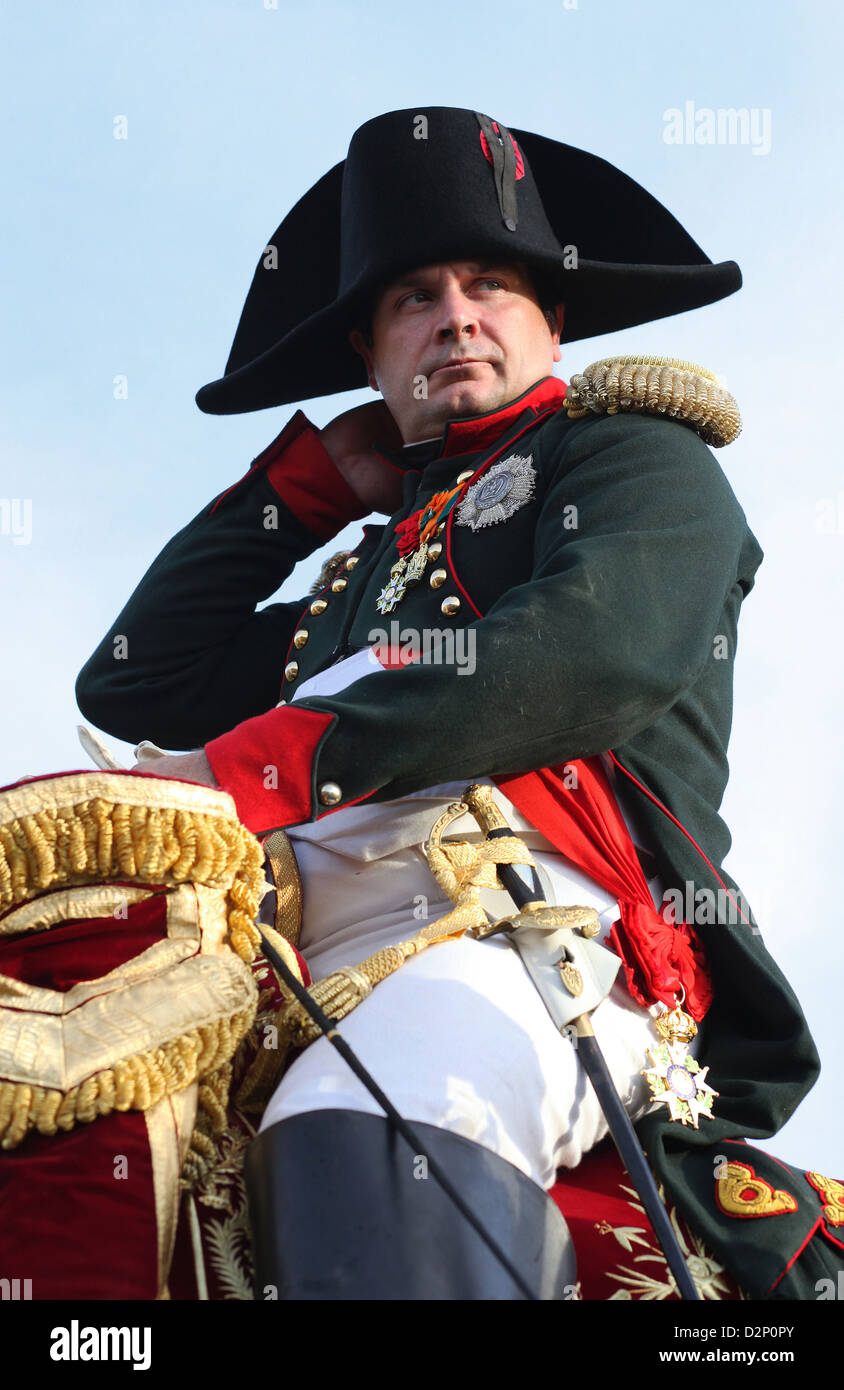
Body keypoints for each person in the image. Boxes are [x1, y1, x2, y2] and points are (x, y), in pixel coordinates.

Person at [76, 107, 835, 1300]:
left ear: (552, 321)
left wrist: (271, 766)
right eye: (413, 299)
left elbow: (594, 653)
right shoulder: (360, 575)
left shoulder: (632, 453)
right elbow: (131, 678)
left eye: (489, 285)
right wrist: (308, 485)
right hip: (289, 962)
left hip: (531, 929)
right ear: (373, 359)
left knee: (382, 1104)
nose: (457, 314)